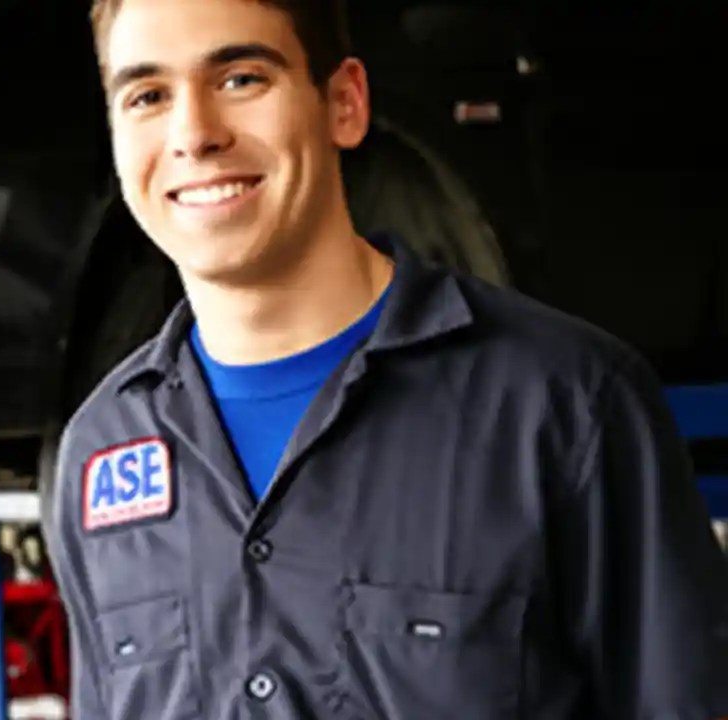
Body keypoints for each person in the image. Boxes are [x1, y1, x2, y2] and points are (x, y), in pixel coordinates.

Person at [39, 0, 728, 717]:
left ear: (344, 103)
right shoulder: (103, 451)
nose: (195, 134)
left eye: (241, 79)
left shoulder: (566, 406)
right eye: (148, 96)